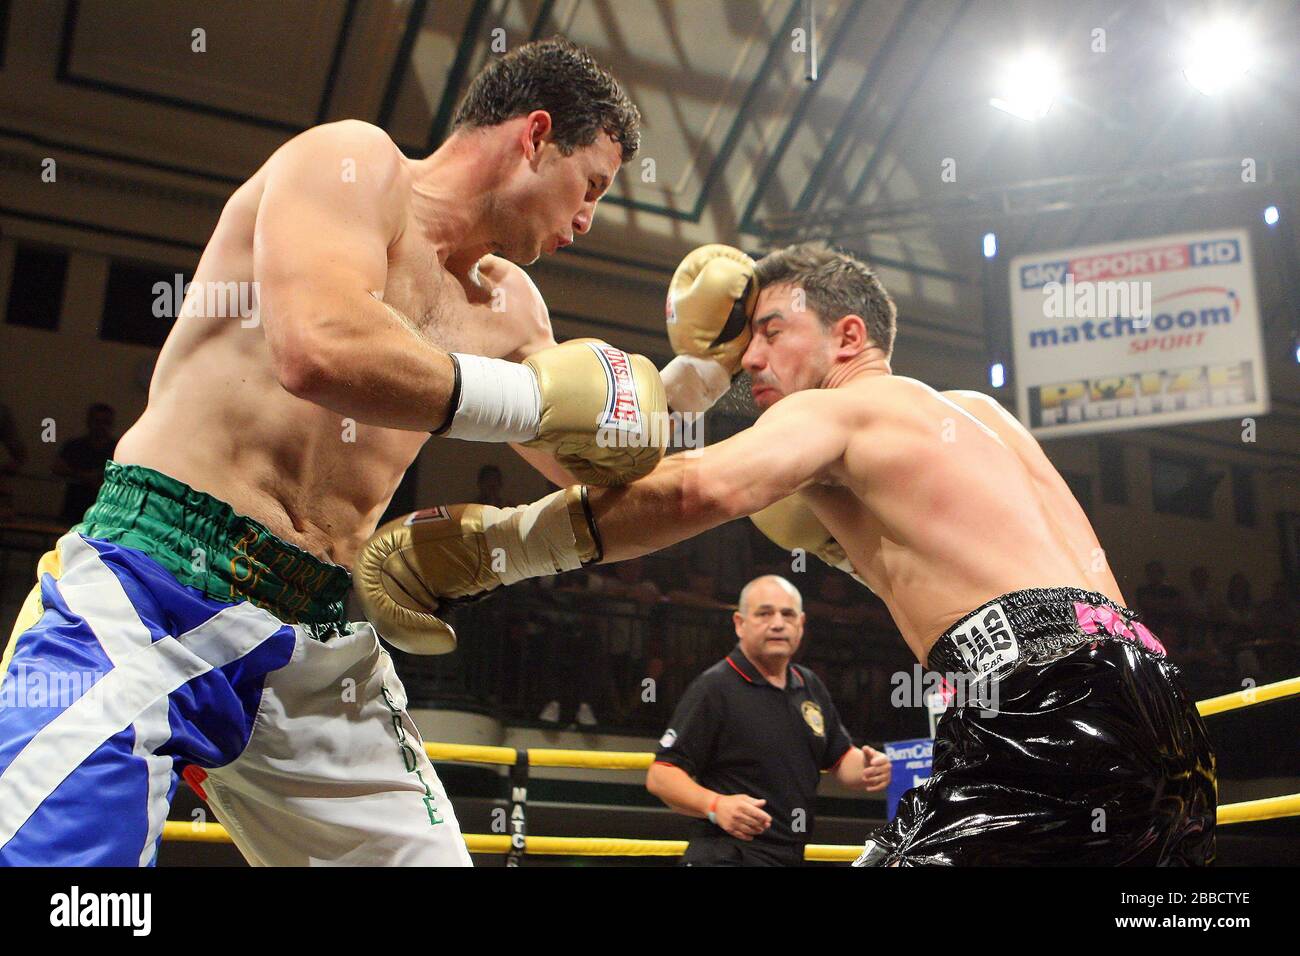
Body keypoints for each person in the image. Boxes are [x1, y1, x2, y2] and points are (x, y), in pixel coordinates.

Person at [0, 38, 666, 866]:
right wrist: (529, 400)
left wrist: (717, 431)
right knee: (67, 889)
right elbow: (320, 348)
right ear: (534, 136)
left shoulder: (515, 311)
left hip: (313, 639)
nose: (587, 221)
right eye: (591, 186)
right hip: (151, 581)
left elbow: (603, 485)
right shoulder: (353, 164)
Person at [364, 240, 1217, 866]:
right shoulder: (982, 419)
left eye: (770, 333)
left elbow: (690, 491)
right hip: (1160, 715)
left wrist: (496, 544)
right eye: (742, 350)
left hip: (1039, 707)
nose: (752, 363)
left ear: (849, 337)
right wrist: (693, 379)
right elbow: (656, 476)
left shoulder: (838, 413)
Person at [647, 575, 890, 865]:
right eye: (764, 613)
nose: (777, 623)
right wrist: (715, 805)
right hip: (725, 855)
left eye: (787, 615)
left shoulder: (808, 685)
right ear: (740, 623)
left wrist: (868, 768)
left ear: (800, 625)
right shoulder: (716, 687)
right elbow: (661, 775)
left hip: (786, 856)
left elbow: (840, 758)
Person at [52, 403, 117, 524]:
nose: (101, 426)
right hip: (74, 508)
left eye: (106, 422)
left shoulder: (117, 448)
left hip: (105, 511)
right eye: (97, 421)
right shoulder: (75, 446)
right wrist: (83, 476)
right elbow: (57, 468)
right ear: (89, 422)